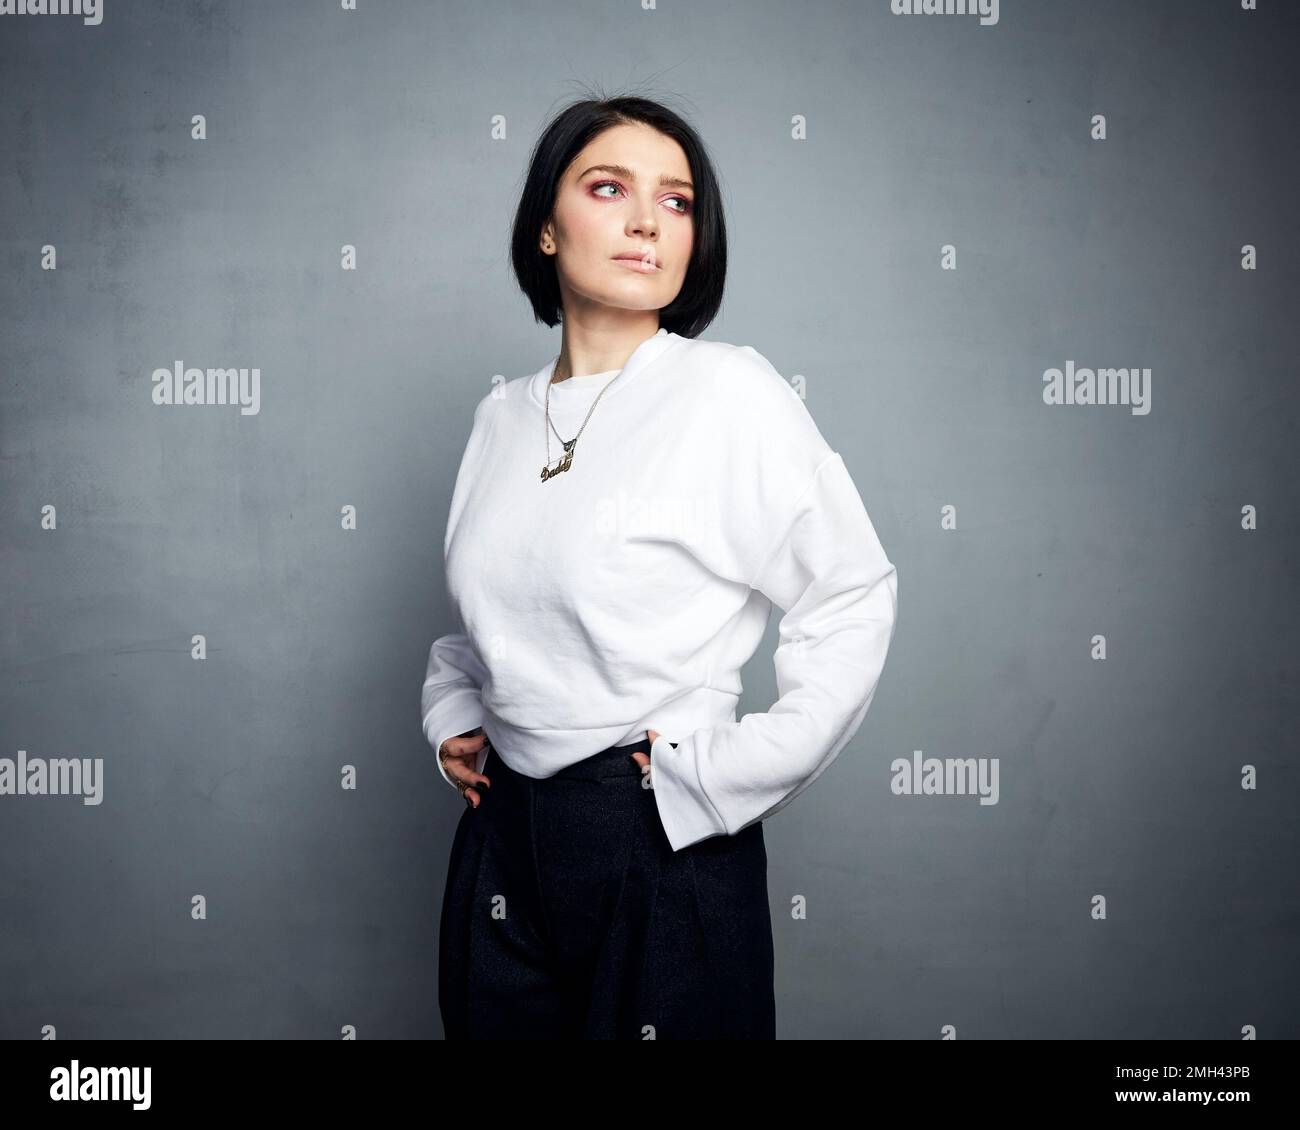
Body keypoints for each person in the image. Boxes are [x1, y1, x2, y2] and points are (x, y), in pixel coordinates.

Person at [421, 94, 899, 1039]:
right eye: (609, 188)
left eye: (678, 202)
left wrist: (722, 771)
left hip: (655, 837)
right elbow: (492, 620)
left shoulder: (728, 393)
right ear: (547, 228)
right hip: (502, 842)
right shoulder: (497, 420)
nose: (648, 220)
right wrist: (452, 715)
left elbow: (849, 598)